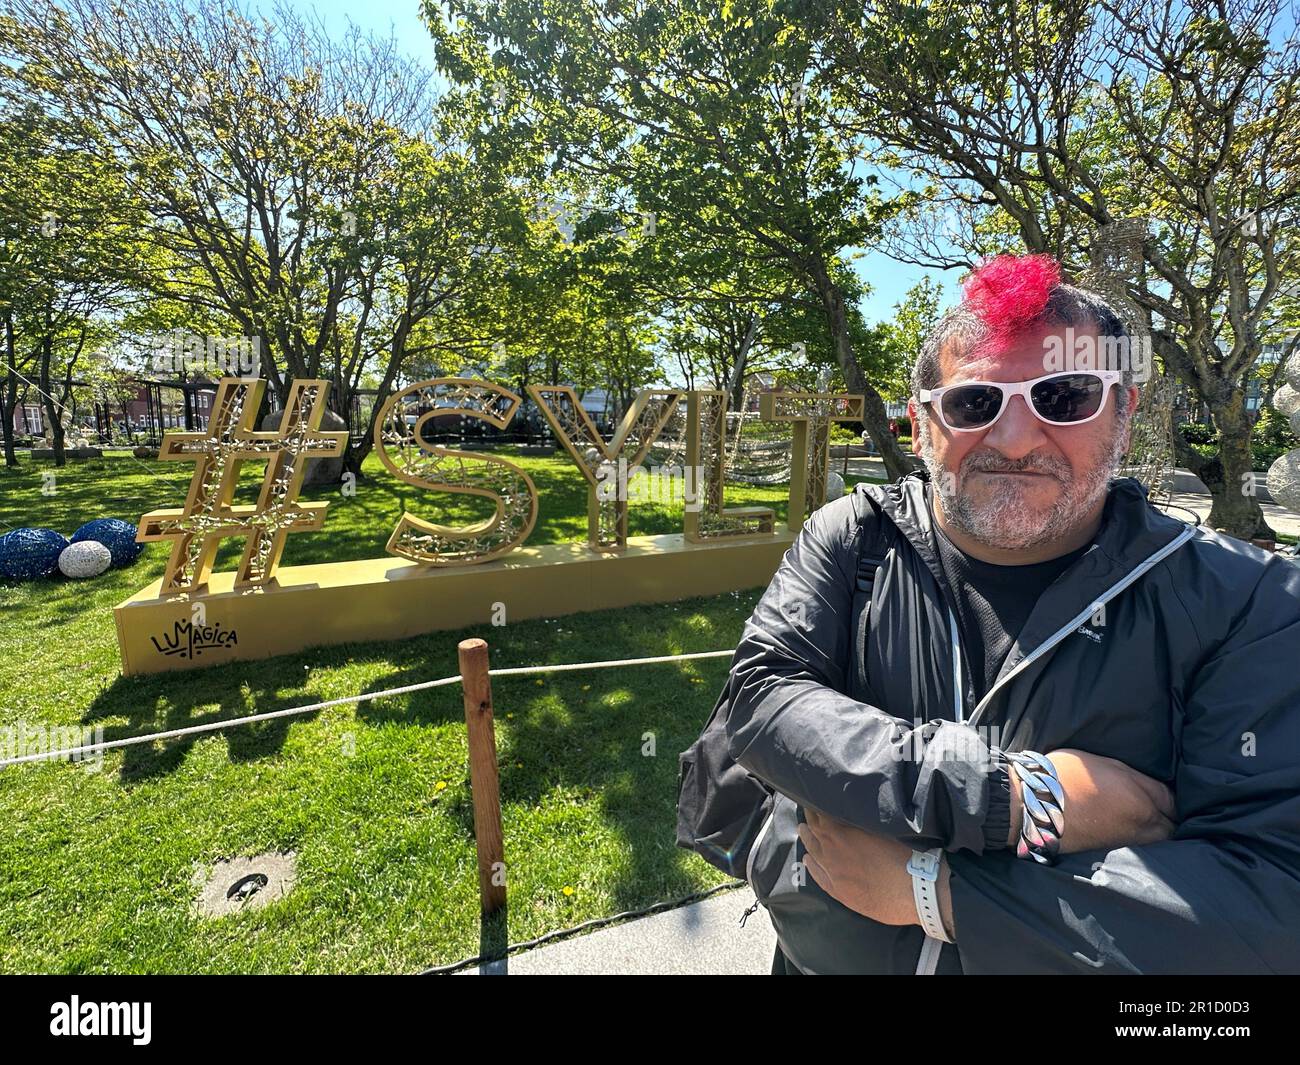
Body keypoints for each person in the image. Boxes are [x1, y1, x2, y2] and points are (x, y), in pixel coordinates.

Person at [726, 253, 1300, 974]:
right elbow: (760, 702)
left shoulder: (1248, 597)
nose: (1016, 439)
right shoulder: (852, 536)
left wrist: (941, 895)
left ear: (1125, 410)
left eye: (1064, 397)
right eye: (975, 404)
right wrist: (1012, 797)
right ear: (922, 426)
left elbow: (1270, 904)